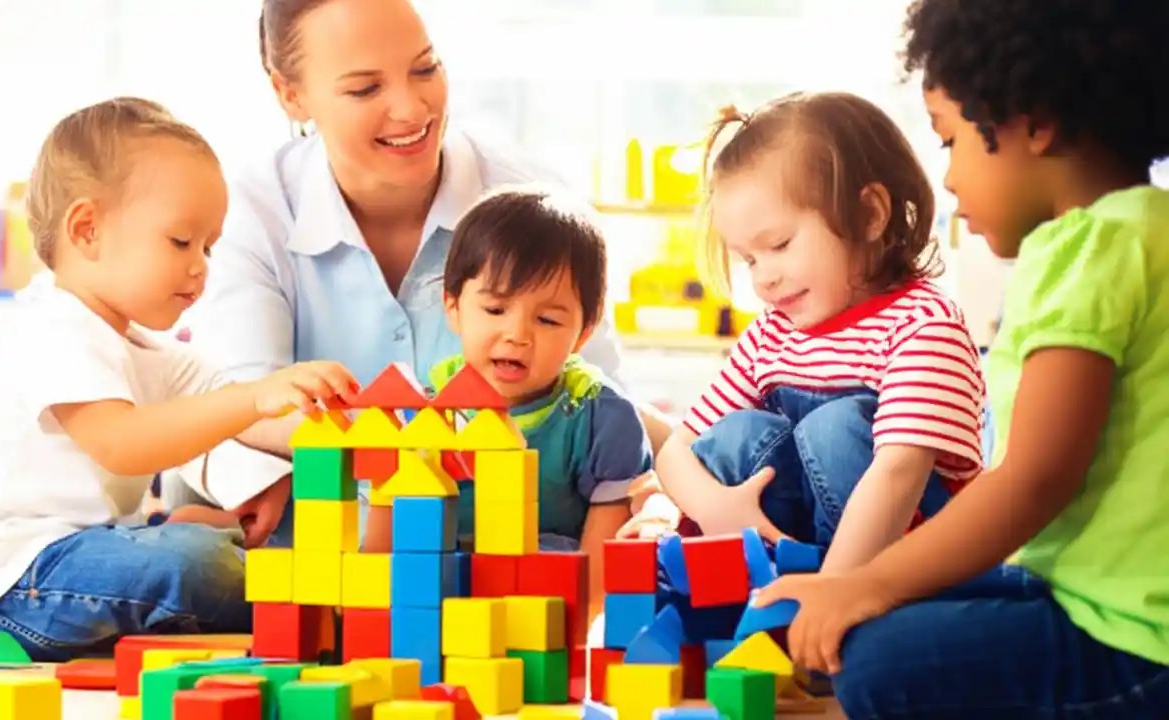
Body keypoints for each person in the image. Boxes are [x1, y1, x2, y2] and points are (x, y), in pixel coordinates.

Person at [755, 2, 1169, 717]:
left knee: (879, 659)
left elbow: (1034, 480)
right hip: (1091, 593)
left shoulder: (1086, 251)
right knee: (890, 609)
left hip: (1132, 637)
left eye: (951, 141)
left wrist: (866, 583)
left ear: (1033, 122)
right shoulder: (1148, 230)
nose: (947, 180)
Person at [176, 0, 672, 543]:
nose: (411, 109)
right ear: (290, 94)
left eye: (425, 68)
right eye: (365, 88)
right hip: (320, 551)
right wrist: (402, 446)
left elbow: (597, 402)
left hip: (514, 553)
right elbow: (241, 403)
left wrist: (667, 491)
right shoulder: (249, 212)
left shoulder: (531, 201)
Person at [0, 97, 355, 661]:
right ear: (88, 229)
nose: (200, 266)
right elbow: (126, 443)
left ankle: (240, 573)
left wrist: (349, 432)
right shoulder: (54, 329)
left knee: (204, 549)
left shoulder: (146, 349)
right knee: (196, 562)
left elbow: (237, 415)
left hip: (72, 560)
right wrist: (254, 397)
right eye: (180, 242)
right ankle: (299, 604)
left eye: (209, 247)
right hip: (6, 585)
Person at [655, 92, 985, 574]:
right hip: (797, 550)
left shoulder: (922, 325)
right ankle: (736, 587)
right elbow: (675, 452)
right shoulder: (773, 333)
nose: (763, 277)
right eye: (749, 258)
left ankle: (829, 604)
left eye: (780, 244)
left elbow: (897, 474)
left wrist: (832, 599)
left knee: (836, 425)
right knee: (741, 432)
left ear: (870, 215)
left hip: (907, 561)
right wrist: (716, 508)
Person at [423, 186, 659, 616]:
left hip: (550, 607)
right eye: (495, 310)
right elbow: (394, 545)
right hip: (448, 606)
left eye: (548, 319)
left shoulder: (602, 419)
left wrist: (573, 645)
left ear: (583, 333)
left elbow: (598, 569)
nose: (517, 334)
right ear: (453, 308)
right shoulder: (430, 412)